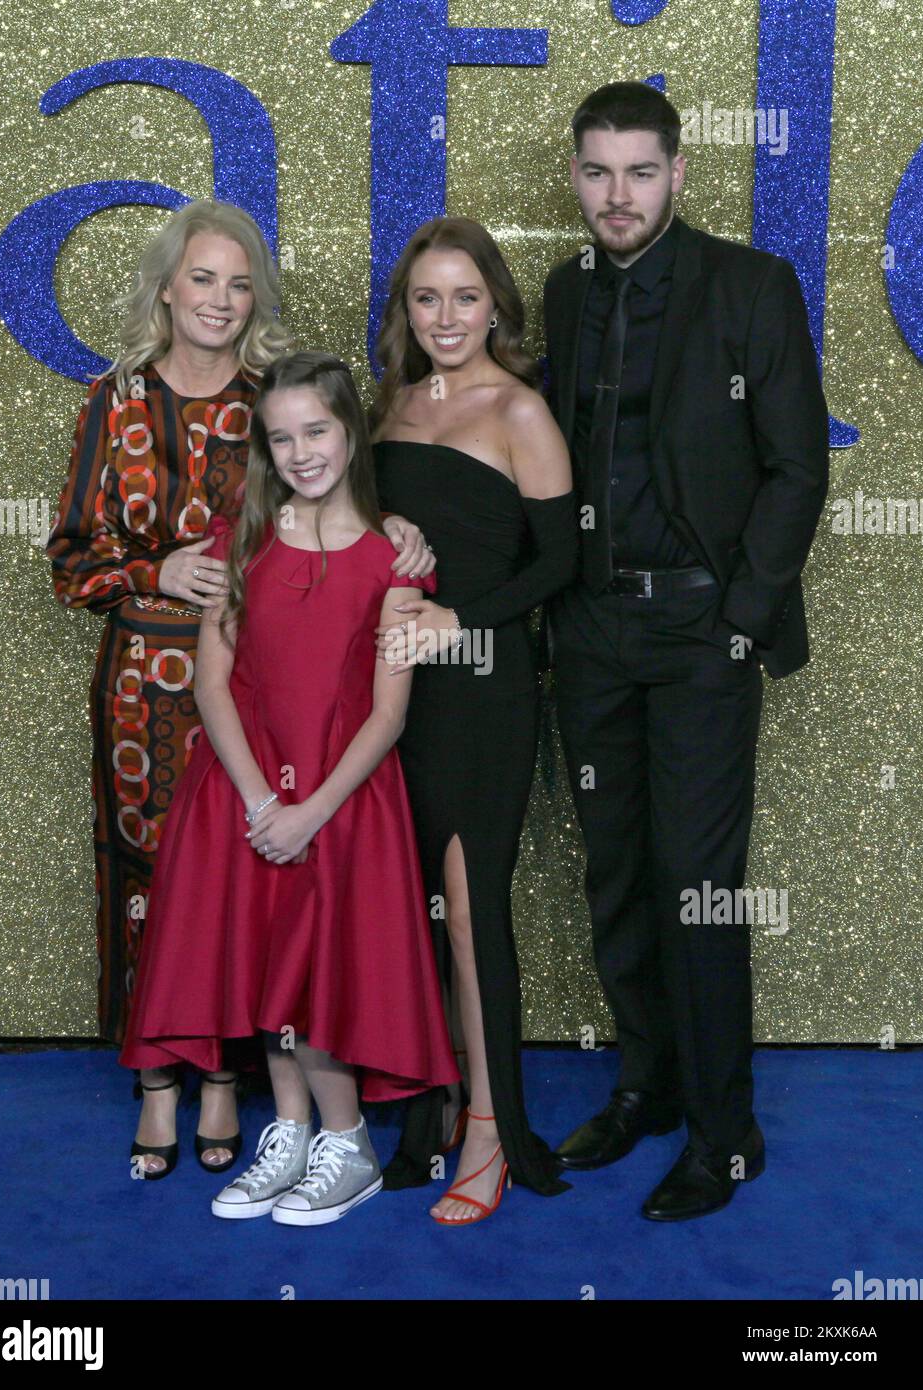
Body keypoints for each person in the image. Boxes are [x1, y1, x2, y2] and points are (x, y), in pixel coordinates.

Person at [45, 200, 434, 1173]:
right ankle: (160, 1080)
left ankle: (230, 1083)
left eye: (239, 280)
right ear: (167, 288)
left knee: (257, 892)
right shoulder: (114, 401)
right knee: (157, 886)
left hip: (270, 695)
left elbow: (345, 516)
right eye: (202, 278)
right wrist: (153, 572)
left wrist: (408, 544)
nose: (220, 299)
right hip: (149, 688)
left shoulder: (274, 401)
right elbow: (69, 563)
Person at [543, 81, 829, 1220]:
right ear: (575, 176)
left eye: (641, 172)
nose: (620, 196)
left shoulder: (750, 284)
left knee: (697, 887)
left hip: (704, 632)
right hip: (593, 628)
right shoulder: (564, 294)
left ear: (677, 175)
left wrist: (744, 620)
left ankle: (724, 1130)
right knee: (615, 870)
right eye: (599, 172)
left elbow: (798, 466)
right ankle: (646, 1086)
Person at [119, 350, 459, 1223]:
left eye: (316, 430)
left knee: (323, 966)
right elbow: (210, 682)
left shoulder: (393, 555)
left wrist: (310, 810)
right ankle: (295, 1132)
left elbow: (387, 715)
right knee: (270, 961)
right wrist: (260, 802)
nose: (302, 451)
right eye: (281, 438)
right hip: (243, 790)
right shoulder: (246, 537)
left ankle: (348, 1145)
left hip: (343, 798)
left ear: (350, 429)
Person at [370, 216, 578, 1223]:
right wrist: (388, 536)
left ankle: (496, 1133)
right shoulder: (392, 406)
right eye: (426, 298)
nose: (446, 316)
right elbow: (371, 534)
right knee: (408, 915)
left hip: (484, 690)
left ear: (494, 301)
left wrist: (458, 614)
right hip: (393, 697)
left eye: (464, 296)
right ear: (405, 309)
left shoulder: (520, 409)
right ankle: (434, 1105)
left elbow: (559, 563)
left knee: (470, 916)